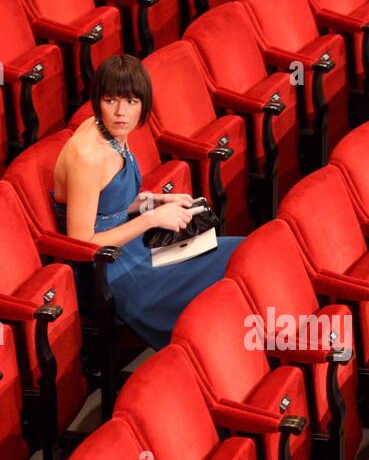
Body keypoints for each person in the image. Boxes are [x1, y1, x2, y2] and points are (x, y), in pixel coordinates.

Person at [52, 53, 243, 349]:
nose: (121, 112)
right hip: (112, 271)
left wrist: (154, 201)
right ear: (97, 101)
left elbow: (108, 205)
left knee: (244, 252)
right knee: (221, 285)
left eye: (131, 102)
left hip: (136, 247)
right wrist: (151, 219)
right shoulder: (86, 156)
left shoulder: (112, 128)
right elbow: (82, 243)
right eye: (111, 101)